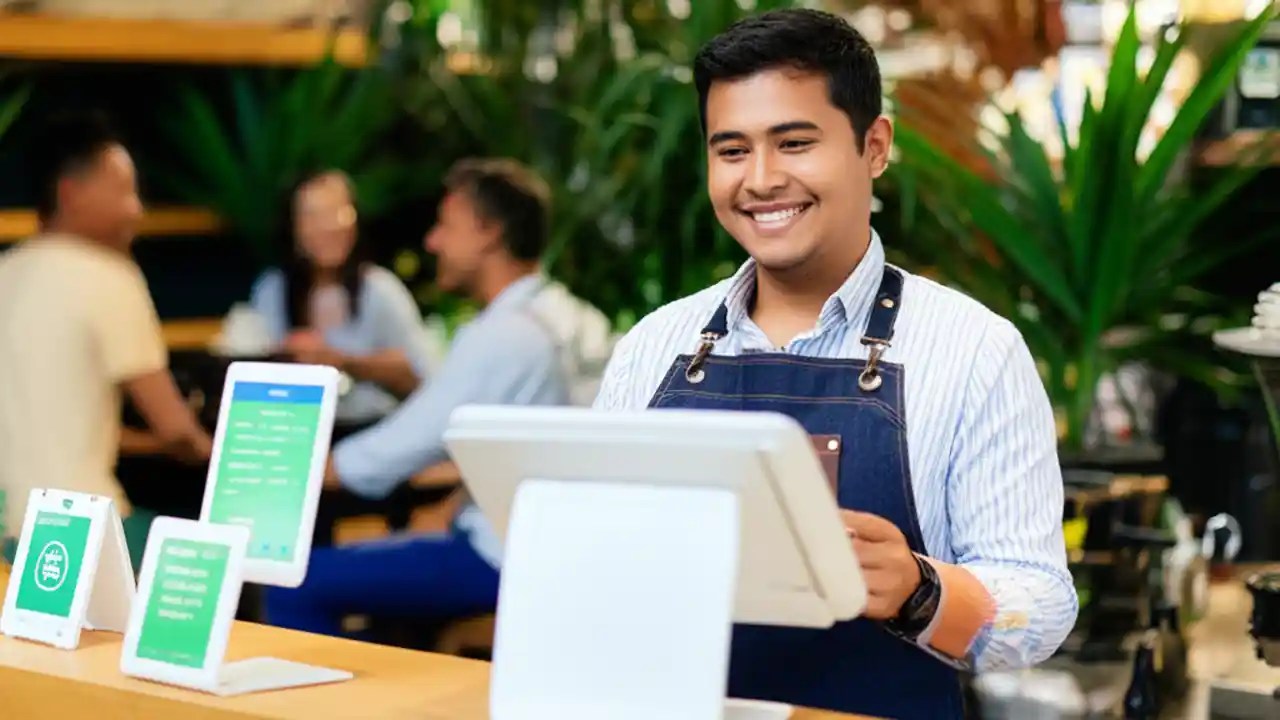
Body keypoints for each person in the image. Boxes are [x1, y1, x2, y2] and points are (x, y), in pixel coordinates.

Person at [592, 10, 1077, 718]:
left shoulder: (975, 351)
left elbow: (1041, 605)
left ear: (874, 146)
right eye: (730, 151)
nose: (760, 180)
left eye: (794, 142)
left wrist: (920, 590)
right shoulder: (653, 346)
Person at [264, 158, 579, 635]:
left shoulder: (505, 334)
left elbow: (401, 445)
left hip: (499, 554)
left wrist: (288, 470)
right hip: (520, 539)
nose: (432, 241)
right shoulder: (555, 314)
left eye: (445, 226)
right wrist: (450, 506)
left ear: (487, 232)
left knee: (291, 583)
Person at [0, 112, 212, 568]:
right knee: (214, 566)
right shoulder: (111, 276)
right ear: (69, 194)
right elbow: (175, 428)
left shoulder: (7, 273)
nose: (136, 208)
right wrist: (220, 453)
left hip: (8, 532)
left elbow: (62, 425)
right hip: (82, 533)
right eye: (123, 190)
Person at [246, 169, 433, 426]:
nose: (329, 226)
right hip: (297, 430)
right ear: (292, 227)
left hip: (372, 430)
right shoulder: (272, 290)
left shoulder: (380, 289)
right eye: (313, 216)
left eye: (339, 212)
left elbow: (422, 377)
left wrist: (341, 361)